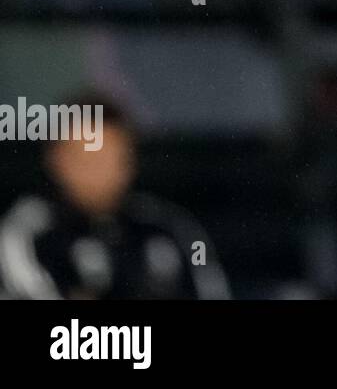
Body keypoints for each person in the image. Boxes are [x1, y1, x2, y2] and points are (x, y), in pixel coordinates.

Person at [0, 93, 229, 299]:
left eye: (107, 160)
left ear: (130, 162)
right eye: (84, 160)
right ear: (55, 159)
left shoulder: (169, 227)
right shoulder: (25, 235)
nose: (96, 173)